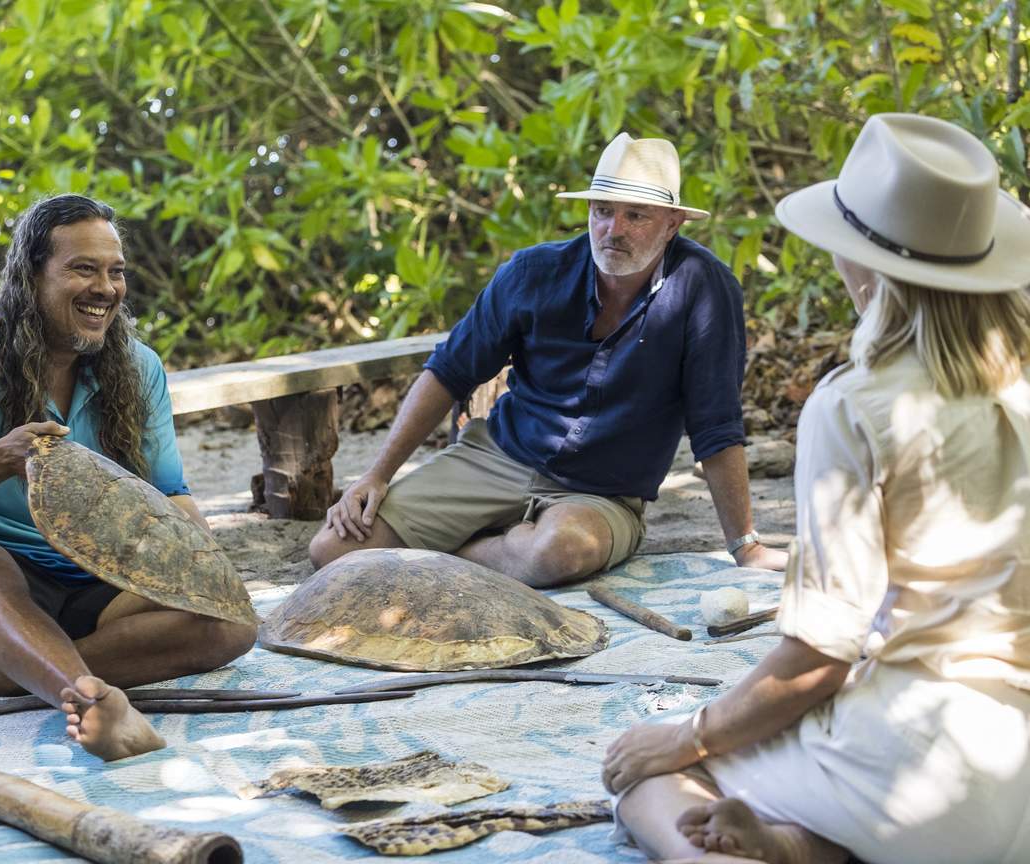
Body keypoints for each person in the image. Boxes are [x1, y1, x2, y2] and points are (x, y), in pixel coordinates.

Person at [601, 113, 1030, 864]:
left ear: (862, 263)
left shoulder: (857, 404)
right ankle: (799, 844)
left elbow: (818, 658)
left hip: (916, 767)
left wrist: (687, 736)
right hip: (1017, 772)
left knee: (648, 781)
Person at [0, 194, 256, 762]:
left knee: (230, 624)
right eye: (83, 269)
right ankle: (93, 703)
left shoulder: (139, 367)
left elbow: (170, 496)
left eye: (116, 271)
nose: (106, 288)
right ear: (31, 277)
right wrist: (1, 457)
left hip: (84, 580)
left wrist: (203, 566)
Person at [309, 132, 786, 584]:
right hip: (498, 457)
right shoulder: (533, 272)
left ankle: (461, 552)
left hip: (599, 493)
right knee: (336, 548)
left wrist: (745, 546)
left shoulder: (704, 288)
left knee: (559, 551)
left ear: (672, 223)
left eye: (636, 216)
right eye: (602, 211)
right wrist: (377, 475)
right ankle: (499, 547)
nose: (613, 230)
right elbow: (449, 372)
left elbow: (716, 426)